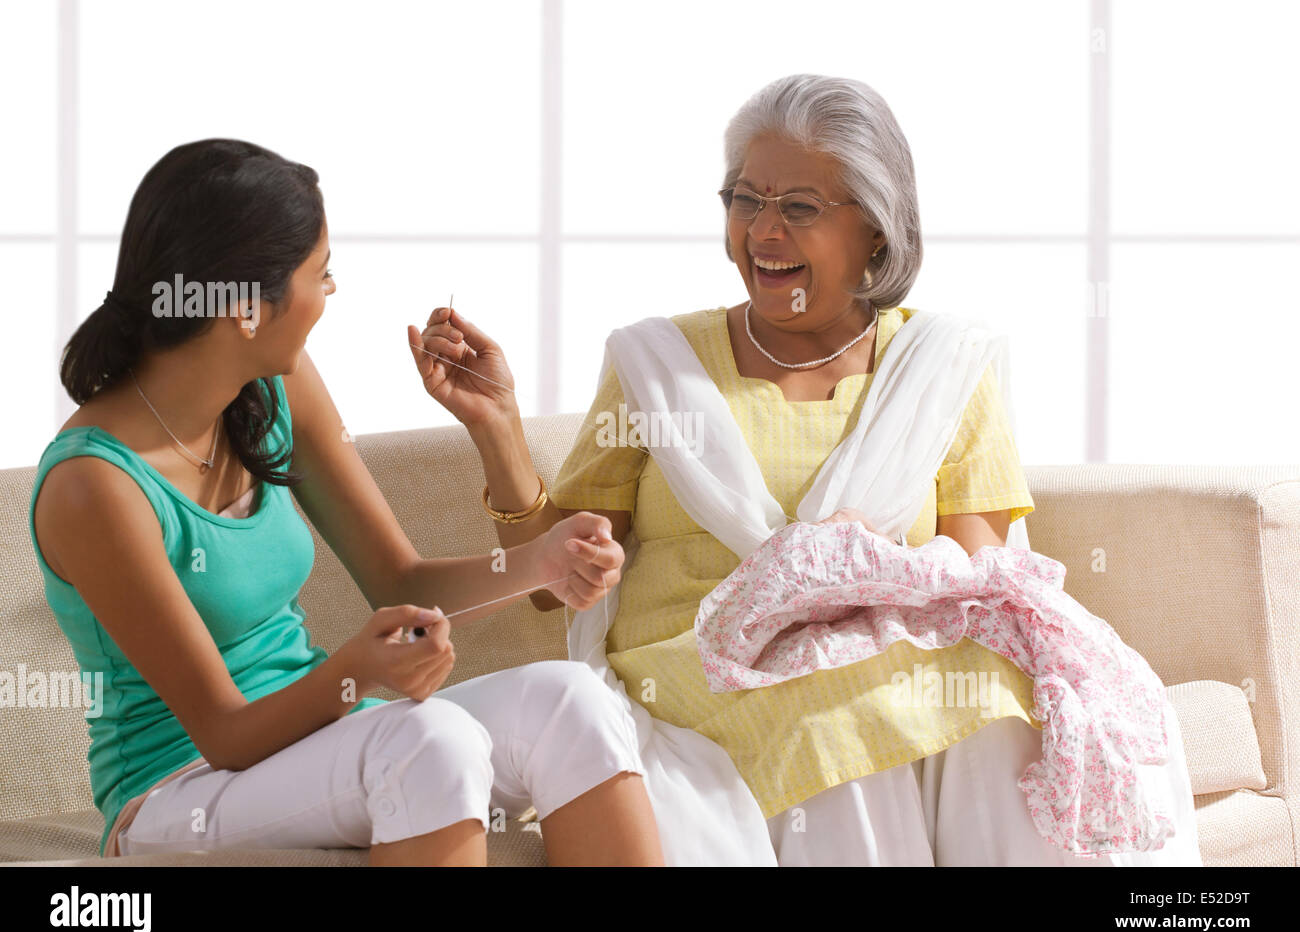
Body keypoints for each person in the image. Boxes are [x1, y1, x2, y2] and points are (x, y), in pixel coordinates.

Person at [409, 74, 1202, 865]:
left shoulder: (945, 363)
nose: (762, 231)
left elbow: (983, 583)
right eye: (744, 200)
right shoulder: (657, 363)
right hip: (701, 675)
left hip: (884, 660)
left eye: (798, 207)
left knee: (1001, 705)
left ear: (877, 232)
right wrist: (498, 430)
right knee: (834, 715)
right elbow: (555, 588)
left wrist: (853, 570)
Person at [29, 138, 663, 866]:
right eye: (319, 274)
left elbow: (401, 583)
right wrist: (359, 672)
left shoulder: (275, 385)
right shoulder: (94, 484)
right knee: (432, 741)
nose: (330, 293)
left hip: (317, 745)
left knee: (573, 703)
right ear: (244, 307)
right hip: (177, 788)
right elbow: (224, 732)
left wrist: (541, 561)